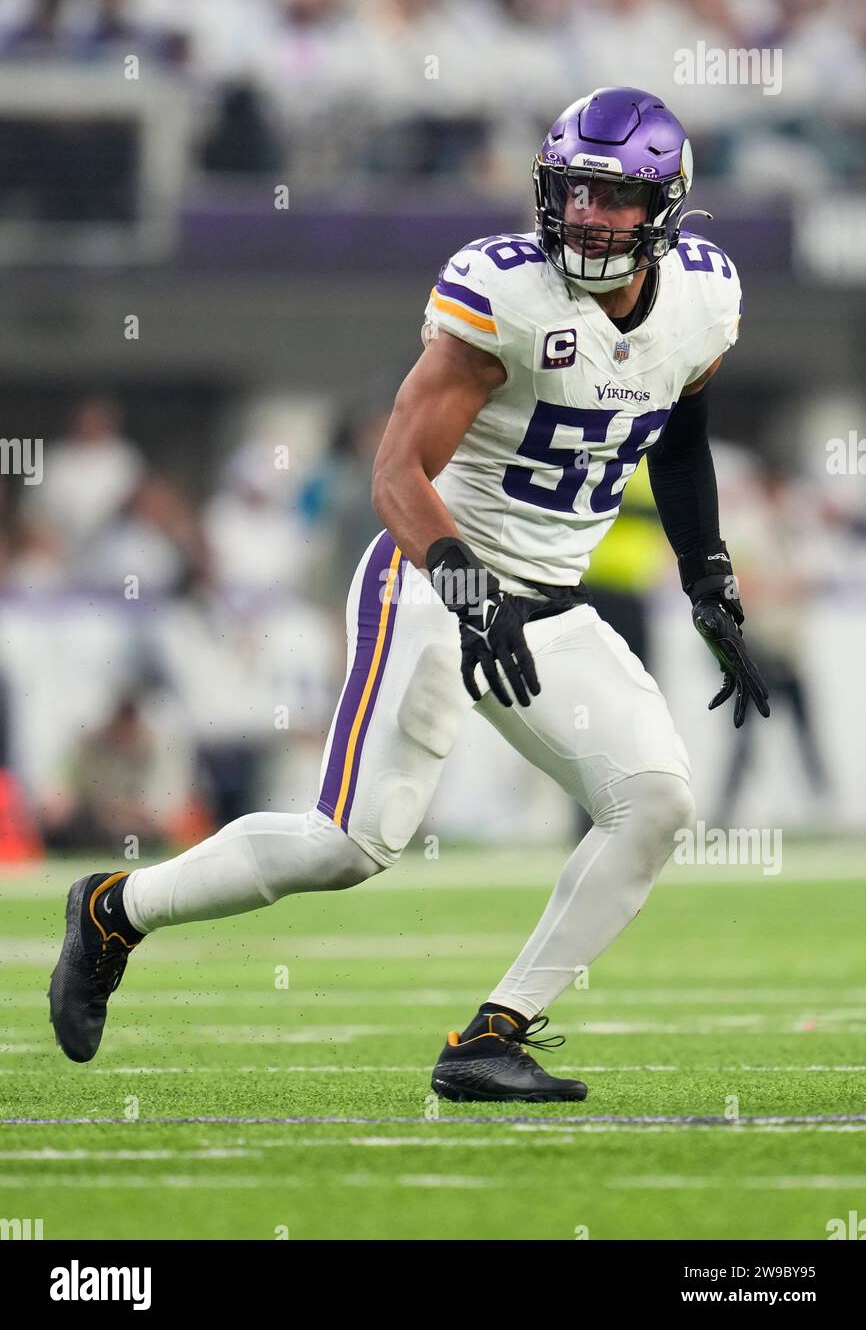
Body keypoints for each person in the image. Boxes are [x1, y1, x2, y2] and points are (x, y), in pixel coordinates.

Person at [49, 87, 769, 1103]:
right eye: (574, 192)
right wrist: (468, 586)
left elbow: (680, 427)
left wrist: (707, 576)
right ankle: (112, 910)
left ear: (664, 207)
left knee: (654, 800)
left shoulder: (702, 297)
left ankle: (490, 1034)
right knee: (346, 844)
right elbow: (394, 472)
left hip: (550, 601)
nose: (588, 216)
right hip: (433, 573)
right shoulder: (505, 298)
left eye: (614, 197)